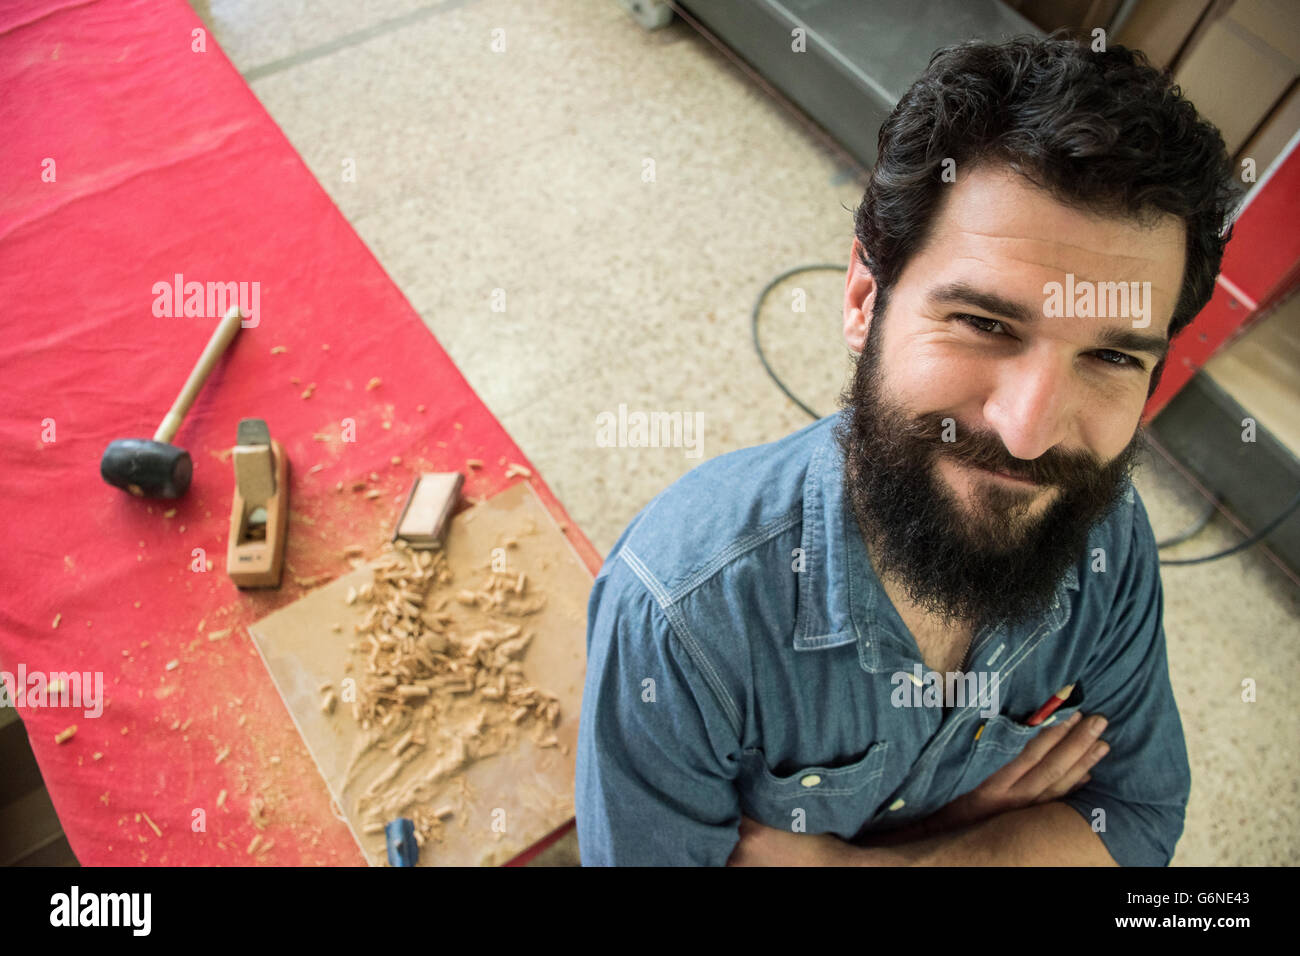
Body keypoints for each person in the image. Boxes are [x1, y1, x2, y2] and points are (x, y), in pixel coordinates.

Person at [575, 35, 1239, 866]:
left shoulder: (1108, 541)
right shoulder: (684, 617)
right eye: (986, 325)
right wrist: (991, 830)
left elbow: (1136, 820)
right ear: (864, 300)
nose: (1029, 432)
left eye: (1110, 357)